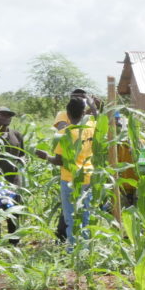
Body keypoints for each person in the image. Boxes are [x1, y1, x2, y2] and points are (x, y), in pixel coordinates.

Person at [34, 95, 97, 246]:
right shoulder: (91, 128)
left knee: (71, 217)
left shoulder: (64, 133)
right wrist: (93, 105)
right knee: (86, 215)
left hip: (70, 179)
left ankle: (73, 250)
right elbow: (97, 117)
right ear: (83, 113)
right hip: (88, 177)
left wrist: (45, 156)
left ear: (67, 114)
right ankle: (86, 248)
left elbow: (58, 160)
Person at [0, 107, 25, 244]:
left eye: (9, 115)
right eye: (2, 115)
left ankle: (14, 239)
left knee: (14, 209)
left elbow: (22, 154)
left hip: (13, 179)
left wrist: (23, 160)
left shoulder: (16, 135)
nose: (6, 117)